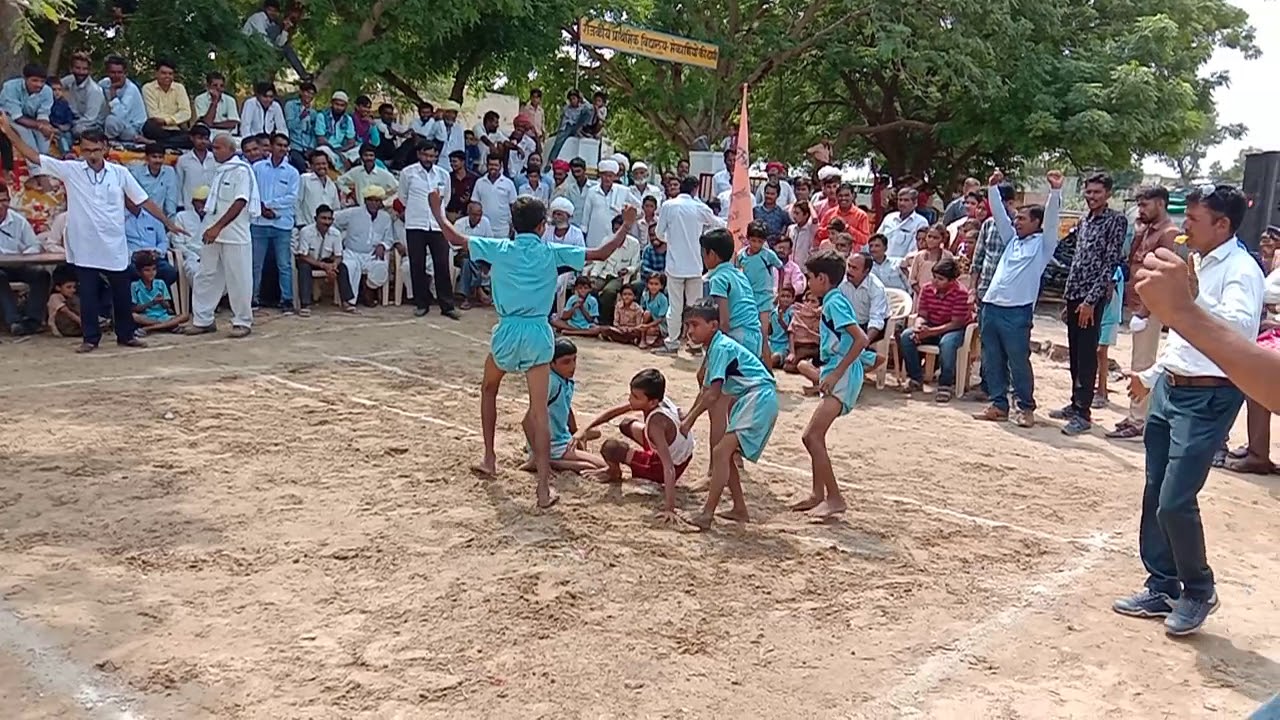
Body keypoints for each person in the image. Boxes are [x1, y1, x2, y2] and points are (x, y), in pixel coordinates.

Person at [1113, 185, 1264, 636]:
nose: (1184, 228)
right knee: (1155, 491)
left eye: (1194, 220)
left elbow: (1238, 332)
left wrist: (1191, 299)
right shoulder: (1195, 263)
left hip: (1210, 396)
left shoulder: (1242, 270)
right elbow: (1183, 336)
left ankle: (1198, 589)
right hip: (1172, 389)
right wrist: (1153, 374)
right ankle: (1162, 583)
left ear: (1223, 225)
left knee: (1176, 500)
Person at [428, 191, 635, 508]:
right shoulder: (551, 251)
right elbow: (602, 252)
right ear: (542, 226)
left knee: (489, 389)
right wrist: (627, 225)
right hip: (538, 331)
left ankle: (489, 457)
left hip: (508, 329)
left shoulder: (500, 248)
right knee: (539, 412)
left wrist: (437, 209)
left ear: (514, 225)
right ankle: (542, 489)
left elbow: (454, 237)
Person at [1, 118, 182, 350]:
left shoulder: (119, 173)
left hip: (114, 244)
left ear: (105, 148)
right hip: (85, 245)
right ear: (80, 150)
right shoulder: (72, 170)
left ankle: (126, 335)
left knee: (121, 293)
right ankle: (90, 339)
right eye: (86, 150)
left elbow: (143, 200)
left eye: (96, 150)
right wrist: (9, 132)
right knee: (87, 294)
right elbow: (34, 157)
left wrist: (168, 222)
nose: (92, 155)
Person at [678, 298, 780, 530]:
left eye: (695, 325)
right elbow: (706, 391)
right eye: (688, 325)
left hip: (758, 398)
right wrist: (689, 418)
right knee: (727, 454)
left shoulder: (721, 347)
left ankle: (707, 514)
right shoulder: (715, 347)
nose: (690, 331)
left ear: (713, 325)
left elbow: (713, 395)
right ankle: (739, 509)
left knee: (721, 452)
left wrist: (689, 421)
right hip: (753, 398)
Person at [972, 169, 1062, 427]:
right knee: (992, 358)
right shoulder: (1011, 240)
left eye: (1022, 219)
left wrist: (1055, 191)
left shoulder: (1043, 245)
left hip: (1017, 312)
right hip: (991, 306)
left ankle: (1024, 407)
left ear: (1036, 223)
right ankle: (998, 404)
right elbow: (1000, 215)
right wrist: (992, 188)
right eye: (1017, 218)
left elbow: (1052, 221)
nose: (1017, 222)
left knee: (1018, 360)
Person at [792, 249, 872, 518]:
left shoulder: (834, 302)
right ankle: (818, 494)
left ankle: (835, 497)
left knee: (811, 436)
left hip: (843, 374)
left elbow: (860, 339)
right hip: (836, 371)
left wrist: (837, 373)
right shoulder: (832, 301)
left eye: (810, 277)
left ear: (822, 279)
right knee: (816, 436)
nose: (808, 283)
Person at [1052, 172, 1127, 435]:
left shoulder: (1116, 220)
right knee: (1075, 351)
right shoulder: (1084, 221)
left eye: (1097, 192)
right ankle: (1075, 403)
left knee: (1086, 353)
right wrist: (1069, 297)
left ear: (1108, 194)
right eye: (1089, 191)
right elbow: (1076, 259)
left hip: (1091, 298)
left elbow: (1109, 263)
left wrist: (1090, 301)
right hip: (1075, 293)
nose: (1091, 196)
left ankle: (1083, 413)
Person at [1108, 185, 1181, 440]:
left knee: (1143, 363)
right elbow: (1134, 258)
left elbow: (1161, 276)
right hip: (1139, 301)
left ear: (1160, 203)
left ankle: (1139, 419)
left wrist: (1145, 311)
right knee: (1138, 359)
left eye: (1145, 205)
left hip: (1151, 305)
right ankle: (1137, 414)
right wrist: (1140, 230)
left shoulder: (1169, 233)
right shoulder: (1148, 229)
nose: (1140, 210)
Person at [574, 368, 696, 519]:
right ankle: (646, 453)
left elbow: (669, 467)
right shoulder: (661, 400)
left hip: (667, 464)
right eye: (631, 394)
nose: (630, 399)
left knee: (610, 448)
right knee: (626, 424)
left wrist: (669, 509)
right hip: (679, 451)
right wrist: (584, 429)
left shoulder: (656, 425)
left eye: (636, 397)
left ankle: (613, 472)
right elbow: (613, 413)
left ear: (652, 402)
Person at [183, 134, 259, 339]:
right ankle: (203, 320)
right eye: (213, 148)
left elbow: (240, 202)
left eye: (217, 148)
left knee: (238, 278)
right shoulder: (219, 170)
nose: (213, 151)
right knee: (205, 275)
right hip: (212, 232)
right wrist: (212, 228)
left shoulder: (241, 171)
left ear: (230, 150)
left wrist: (217, 227)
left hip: (234, 234)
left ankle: (242, 321)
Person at [654, 175, 726, 355]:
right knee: (696, 307)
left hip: (675, 265)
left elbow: (659, 233)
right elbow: (718, 224)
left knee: (675, 306)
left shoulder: (668, 206)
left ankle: (672, 342)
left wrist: (672, 239)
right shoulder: (699, 207)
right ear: (695, 189)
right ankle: (695, 345)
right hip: (694, 265)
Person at [898, 258, 971, 401]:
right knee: (907, 336)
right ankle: (915, 378)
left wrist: (930, 332)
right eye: (935, 277)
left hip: (952, 329)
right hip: (931, 325)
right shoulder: (927, 289)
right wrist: (919, 327)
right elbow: (922, 314)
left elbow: (955, 323)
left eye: (940, 279)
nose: (935, 281)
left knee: (947, 344)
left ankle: (945, 384)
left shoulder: (961, 293)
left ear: (951, 280)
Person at [250, 133, 299, 311]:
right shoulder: (258, 168)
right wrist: (262, 209)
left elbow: (292, 197)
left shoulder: (292, 172)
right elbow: (252, 191)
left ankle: (286, 299)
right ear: (271, 146)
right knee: (256, 264)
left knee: (284, 264)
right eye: (279, 145)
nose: (282, 149)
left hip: (282, 223)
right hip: (259, 222)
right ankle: (253, 297)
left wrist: (269, 206)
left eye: (285, 146)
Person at [704, 227, 765, 360]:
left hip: (738, 337)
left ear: (712, 254)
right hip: (756, 337)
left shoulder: (718, 279)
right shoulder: (739, 274)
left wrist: (711, 355)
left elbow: (724, 323)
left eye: (703, 253)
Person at [333, 186, 393, 309]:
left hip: (372, 254)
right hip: (352, 252)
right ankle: (349, 301)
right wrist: (339, 238)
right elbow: (333, 220)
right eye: (371, 200)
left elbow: (389, 238)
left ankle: (368, 289)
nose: (374, 203)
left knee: (381, 267)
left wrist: (383, 245)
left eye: (377, 201)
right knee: (349, 268)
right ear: (365, 201)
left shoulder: (385, 217)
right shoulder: (352, 213)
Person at [0, 183, 48, 335]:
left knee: (42, 275)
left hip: (18, 264)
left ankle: (32, 321)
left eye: (4, 200)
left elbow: (34, 245)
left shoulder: (18, 220)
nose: (1, 205)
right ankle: (14, 321)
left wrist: (25, 255)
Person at [736, 221, 783, 363]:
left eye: (760, 242)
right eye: (753, 240)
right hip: (748, 297)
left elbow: (781, 268)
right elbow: (737, 273)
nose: (756, 244)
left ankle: (767, 368)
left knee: (763, 334)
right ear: (748, 239)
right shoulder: (741, 255)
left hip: (764, 297)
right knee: (748, 331)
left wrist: (779, 290)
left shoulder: (768, 255)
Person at [292, 203, 342, 315]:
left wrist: (334, 265)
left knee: (343, 267)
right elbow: (303, 255)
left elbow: (338, 256)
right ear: (315, 219)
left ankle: (347, 302)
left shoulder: (336, 233)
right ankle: (305, 304)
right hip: (309, 260)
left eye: (329, 219)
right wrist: (323, 266)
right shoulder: (306, 231)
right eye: (323, 218)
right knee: (304, 267)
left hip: (326, 260)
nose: (326, 222)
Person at [0, 64, 54, 157]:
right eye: (34, 80)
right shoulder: (10, 87)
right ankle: (33, 163)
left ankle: (42, 161)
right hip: (8, 117)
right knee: (26, 135)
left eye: (42, 81)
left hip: (33, 120)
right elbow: (17, 117)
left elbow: (43, 114)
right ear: (25, 78)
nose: (39, 85)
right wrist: (40, 126)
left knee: (43, 141)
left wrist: (45, 127)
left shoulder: (47, 91)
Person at [123, 197, 178, 286]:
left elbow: (163, 241)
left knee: (169, 272)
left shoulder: (154, 216)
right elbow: (118, 244)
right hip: (133, 259)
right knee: (129, 273)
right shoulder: (120, 219)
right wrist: (132, 254)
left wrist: (157, 251)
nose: (134, 201)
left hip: (153, 257)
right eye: (130, 199)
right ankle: (140, 294)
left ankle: (157, 293)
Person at [839, 252, 888, 351]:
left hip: (868, 326)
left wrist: (864, 342)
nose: (849, 271)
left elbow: (876, 320)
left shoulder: (876, 288)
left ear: (866, 271)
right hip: (849, 325)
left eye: (854, 268)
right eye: (849, 266)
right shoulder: (841, 282)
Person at [140, 59, 192, 149]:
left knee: (191, 138)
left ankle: (155, 143)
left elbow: (186, 113)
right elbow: (153, 115)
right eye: (163, 73)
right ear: (156, 73)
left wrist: (165, 121)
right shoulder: (148, 88)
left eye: (170, 74)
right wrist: (175, 118)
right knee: (149, 126)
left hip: (176, 130)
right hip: (157, 130)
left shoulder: (179, 88)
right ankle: (169, 143)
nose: (167, 76)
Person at [129, 253, 187, 331]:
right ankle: (167, 325)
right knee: (133, 316)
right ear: (139, 272)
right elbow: (135, 308)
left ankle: (148, 328)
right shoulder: (134, 286)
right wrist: (151, 303)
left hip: (163, 316)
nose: (151, 273)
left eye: (154, 269)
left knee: (185, 316)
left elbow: (167, 306)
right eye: (147, 270)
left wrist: (162, 301)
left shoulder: (160, 283)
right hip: (146, 317)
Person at [582, 159, 631, 249]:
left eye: (610, 176)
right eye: (604, 175)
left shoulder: (623, 191)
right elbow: (586, 215)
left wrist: (626, 216)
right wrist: (584, 232)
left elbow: (638, 208)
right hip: (595, 234)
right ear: (600, 175)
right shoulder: (592, 191)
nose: (607, 178)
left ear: (615, 177)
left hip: (615, 235)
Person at [453, 200, 492, 308]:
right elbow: (453, 244)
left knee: (468, 262)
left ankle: (466, 298)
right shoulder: (459, 224)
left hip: (479, 256)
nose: (477, 217)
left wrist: (473, 248)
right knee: (466, 259)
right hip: (461, 255)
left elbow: (489, 242)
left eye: (479, 215)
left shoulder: (485, 222)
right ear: (468, 213)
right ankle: (478, 289)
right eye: (474, 215)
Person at [99, 55, 146, 142]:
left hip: (133, 127)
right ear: (107, 72)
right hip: (114, 125)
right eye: (113, 72)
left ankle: (109, 143)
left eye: (120, 72)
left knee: (111, 121)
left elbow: (120, 115)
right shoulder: (103, 84)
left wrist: (113, 94)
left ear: (125, 73)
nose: (116, 76)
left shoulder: (131, 89)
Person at [60, 52, 105, 138]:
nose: (81, 72)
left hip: (93, 125)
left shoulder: (94, 90)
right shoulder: (70, 80)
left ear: (89, 70)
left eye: (85, 69)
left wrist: (69, 125)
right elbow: (54, 86)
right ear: (71, 68)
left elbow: (90, 119)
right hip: (75, 118)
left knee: (75, 131)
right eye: (77, 68)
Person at [879, 187, 931, 261]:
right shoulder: (889, 218)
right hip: (882, 262)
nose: (902, 203)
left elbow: (915, 249)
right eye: (900, 200)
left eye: (906, 200)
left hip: (904, 264)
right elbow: (878, 239)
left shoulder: (921, 222)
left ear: (915, 203)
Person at [473, 154, 518, 239]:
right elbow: (475, 204)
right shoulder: (479, 182)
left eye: (496, 165)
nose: (493, 167)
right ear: (487, 165)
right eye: (491, 165)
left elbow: (513, 206)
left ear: (500, 166)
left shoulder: (509, 183)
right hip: (483, 228)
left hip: (503, 229)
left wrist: (513, 225)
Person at [129, 142, 179, 217]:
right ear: (146, 158)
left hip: (161, 217)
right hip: (140, 216)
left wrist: (170, 219)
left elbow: (171, 199)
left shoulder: (169, 172)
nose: (158, 160)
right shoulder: (136, 173)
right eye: (154, 157)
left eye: (160, 157)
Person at [172, 184, 211, 277]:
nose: (203, 205)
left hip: (211, 256)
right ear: (193, 202)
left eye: (206, 202)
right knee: (194, 270)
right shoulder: (182, 217)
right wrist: (193, 256)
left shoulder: (215, 218)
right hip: (191, 257)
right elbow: (177, 243)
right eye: (200, 202)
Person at [816, 183, 871, 249]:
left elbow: (865, 240)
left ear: (853, 196)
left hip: (852, 253)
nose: (843, 198)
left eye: (846, 195)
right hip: (830, 252)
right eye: (840, 196)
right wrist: (832, 228)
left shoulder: (861, 215)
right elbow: (819, 234)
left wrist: (848, 228)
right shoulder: (829, 213)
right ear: (836, 196)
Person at [175, 124, 217, 210]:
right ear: (192, 138)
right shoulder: (183, 160)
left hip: (211, 205)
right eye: (200, 138)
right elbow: (178, 183)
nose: (203, 141)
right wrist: (180, 204)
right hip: (189, 205)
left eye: (206, 139)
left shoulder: (215, 158)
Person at [296, 151, 339, 233]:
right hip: (307, 227)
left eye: (324, 163)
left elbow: (336, 208)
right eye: (318, 164)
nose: (322, 166)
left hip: (326, 230)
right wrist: (300, 223)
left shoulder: (332, 185)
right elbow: (297, 202)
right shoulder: (304, 179)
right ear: (311, 166)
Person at [904, 222, 954, 295]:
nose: (931, 240)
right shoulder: (919, 256)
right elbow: (912, 279)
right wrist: (923, 293)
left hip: (942, 296)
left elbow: (951, 279)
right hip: (921, 296)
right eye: (929, 236)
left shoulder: (947, 256)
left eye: (935, 238)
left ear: (943, 240)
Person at [314, 91, 356, 170]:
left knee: (360, 149)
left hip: (342, 150)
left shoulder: (348, 119)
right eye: (337, 104)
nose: (339, 107)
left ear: (345, 106)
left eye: (342, 105)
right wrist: (337, 152)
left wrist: (342, 150)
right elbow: (321, 140)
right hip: (328, 148)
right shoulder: (322, 116)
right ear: (332, 103)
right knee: (322, 150)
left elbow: (351, 141)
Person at [193, 72, 240, 139]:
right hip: (207, 135)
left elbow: (233, 123)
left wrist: (213, 125)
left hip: (228, 135)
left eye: (221, 86)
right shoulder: (200, 99)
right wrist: (214, 102)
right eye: (215, 85)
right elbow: (207, 122)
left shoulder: (230, 100)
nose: (218, 88)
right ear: (208, 86)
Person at [284, 82, 318, 170]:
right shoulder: (291, 105)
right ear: (301, 92)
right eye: (307, 92)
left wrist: (311, 147)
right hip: (294, 146)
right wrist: (300, 117)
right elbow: (290, 126)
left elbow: (313, 133)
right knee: (301, 165)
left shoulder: (313, 112)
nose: (309, 96)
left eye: (312, 94)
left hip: (308, 147)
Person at [768, 284, 796, 367]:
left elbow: (790, 331)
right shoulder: (773, 312)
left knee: (774, 358)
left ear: (793, 299)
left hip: (784, 346)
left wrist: (781, 321)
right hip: (771, 343)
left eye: (788, 296)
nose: (785, 299)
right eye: (783, 296)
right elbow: (770, 331)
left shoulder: (793, 313)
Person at [637, 273, 668, 348]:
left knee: (651, 330)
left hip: (662, 324)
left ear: (661, 286)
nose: (653, 286)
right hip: (649, 319)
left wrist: (647, 326)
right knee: (646, 313)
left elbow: (661, 319)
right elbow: (642, 308)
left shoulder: (663, 299)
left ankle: (661, 337)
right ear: (647, 284)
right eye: (651, 284)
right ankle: (642, 339)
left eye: (656, 284)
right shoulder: (645, 295)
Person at [787, 201, 816, 266]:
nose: (794, 216)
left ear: (806, 215)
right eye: (794, 213)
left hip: (804, 267)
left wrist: (809, 205)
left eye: (797, 213)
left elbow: (815, 219)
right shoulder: (790, 228)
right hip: (791, 266)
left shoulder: (810, 229)